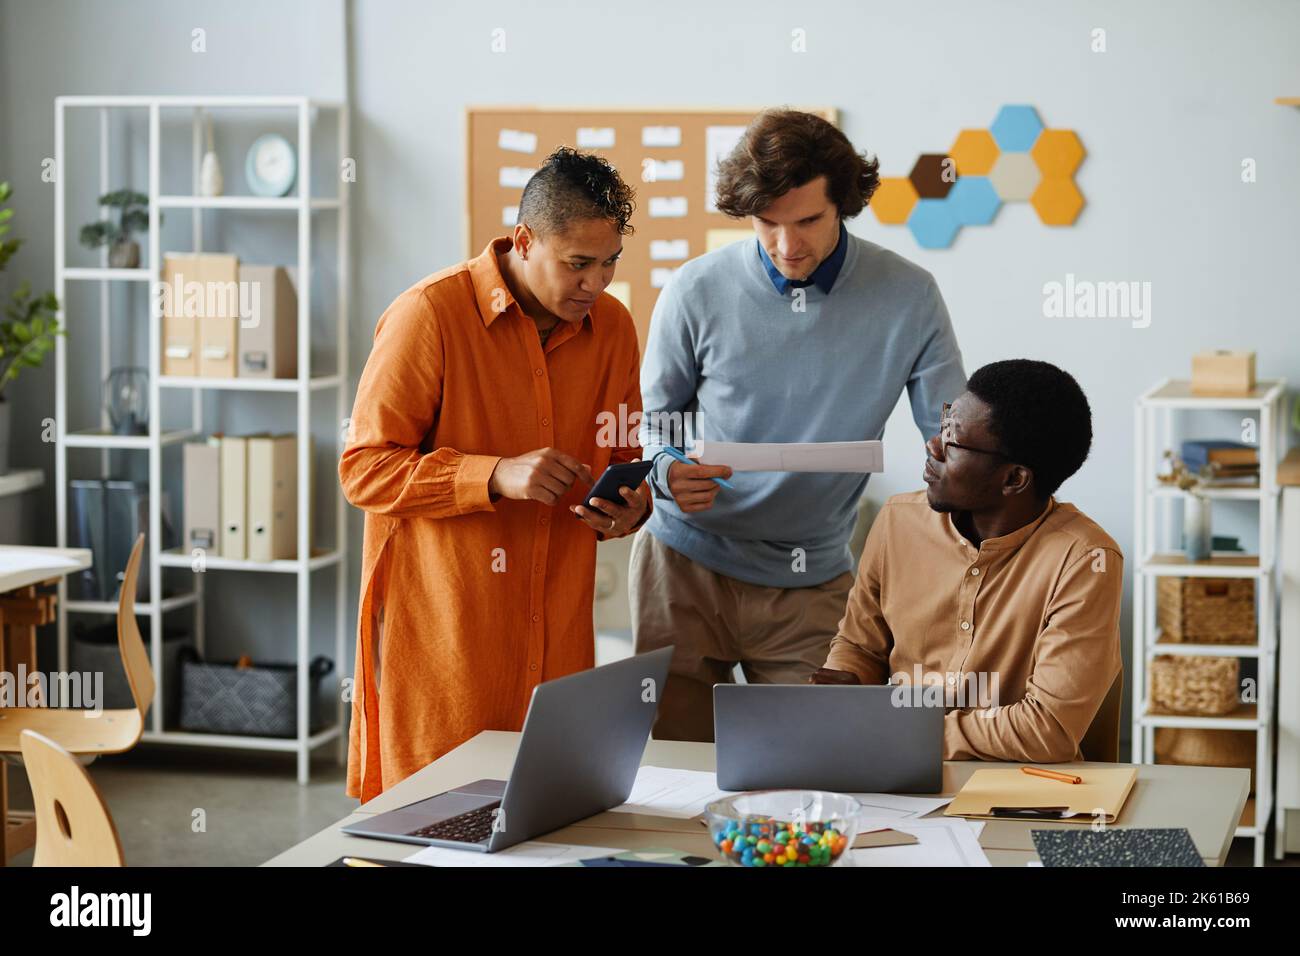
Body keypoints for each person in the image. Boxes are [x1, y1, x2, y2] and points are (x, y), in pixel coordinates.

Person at [632, 108, 967, 741]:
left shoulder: (909, 296)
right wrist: (667, 468)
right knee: (674, 775)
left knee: (815, 767)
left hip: (809, 576)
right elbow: (656, 422)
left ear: (843, 203)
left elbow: (950, 438)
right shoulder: (693, 289)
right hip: (681, 566)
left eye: (808, 220)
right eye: (767, 224)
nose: (788, 246)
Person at [339, 147, 649, 800]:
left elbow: (622, 461)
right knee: (431, 833)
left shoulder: (615, 329)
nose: (597, 282)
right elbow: (363, 470)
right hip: (447, 664)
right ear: (524, 240)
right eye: (578, 264)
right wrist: (492, 475)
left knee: (550, 832)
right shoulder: (428, 315)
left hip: (559, 659)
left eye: (610, 262)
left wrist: (633, 506)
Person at [812, 359, 1123, 763]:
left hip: (1024, 791)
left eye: (954, 443)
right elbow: (861, 647)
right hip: (894, 774)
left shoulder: (1085, 559)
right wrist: (842, 687)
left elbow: (1047, 730)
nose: (933, 445)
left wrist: (897, 731)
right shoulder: (898, 520)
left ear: (1014, 479)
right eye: (944, 422)